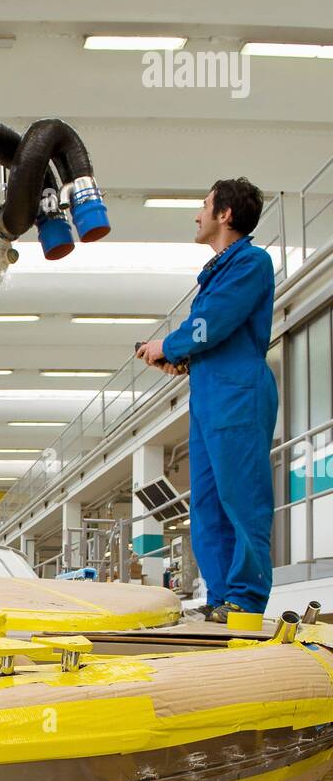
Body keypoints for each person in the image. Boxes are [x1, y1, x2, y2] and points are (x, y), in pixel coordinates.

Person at [136, 178, 278, 621]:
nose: (197, 214)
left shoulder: (251, 262)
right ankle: (221, 597)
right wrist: (181, 361)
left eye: (203, 205)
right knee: (208, 505)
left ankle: (247, 599)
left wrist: (170, 347)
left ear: (225, 215)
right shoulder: (217, 272)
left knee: (242, 496)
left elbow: (211, 324)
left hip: (238, 394)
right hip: (210, 392)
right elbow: (208, 336)